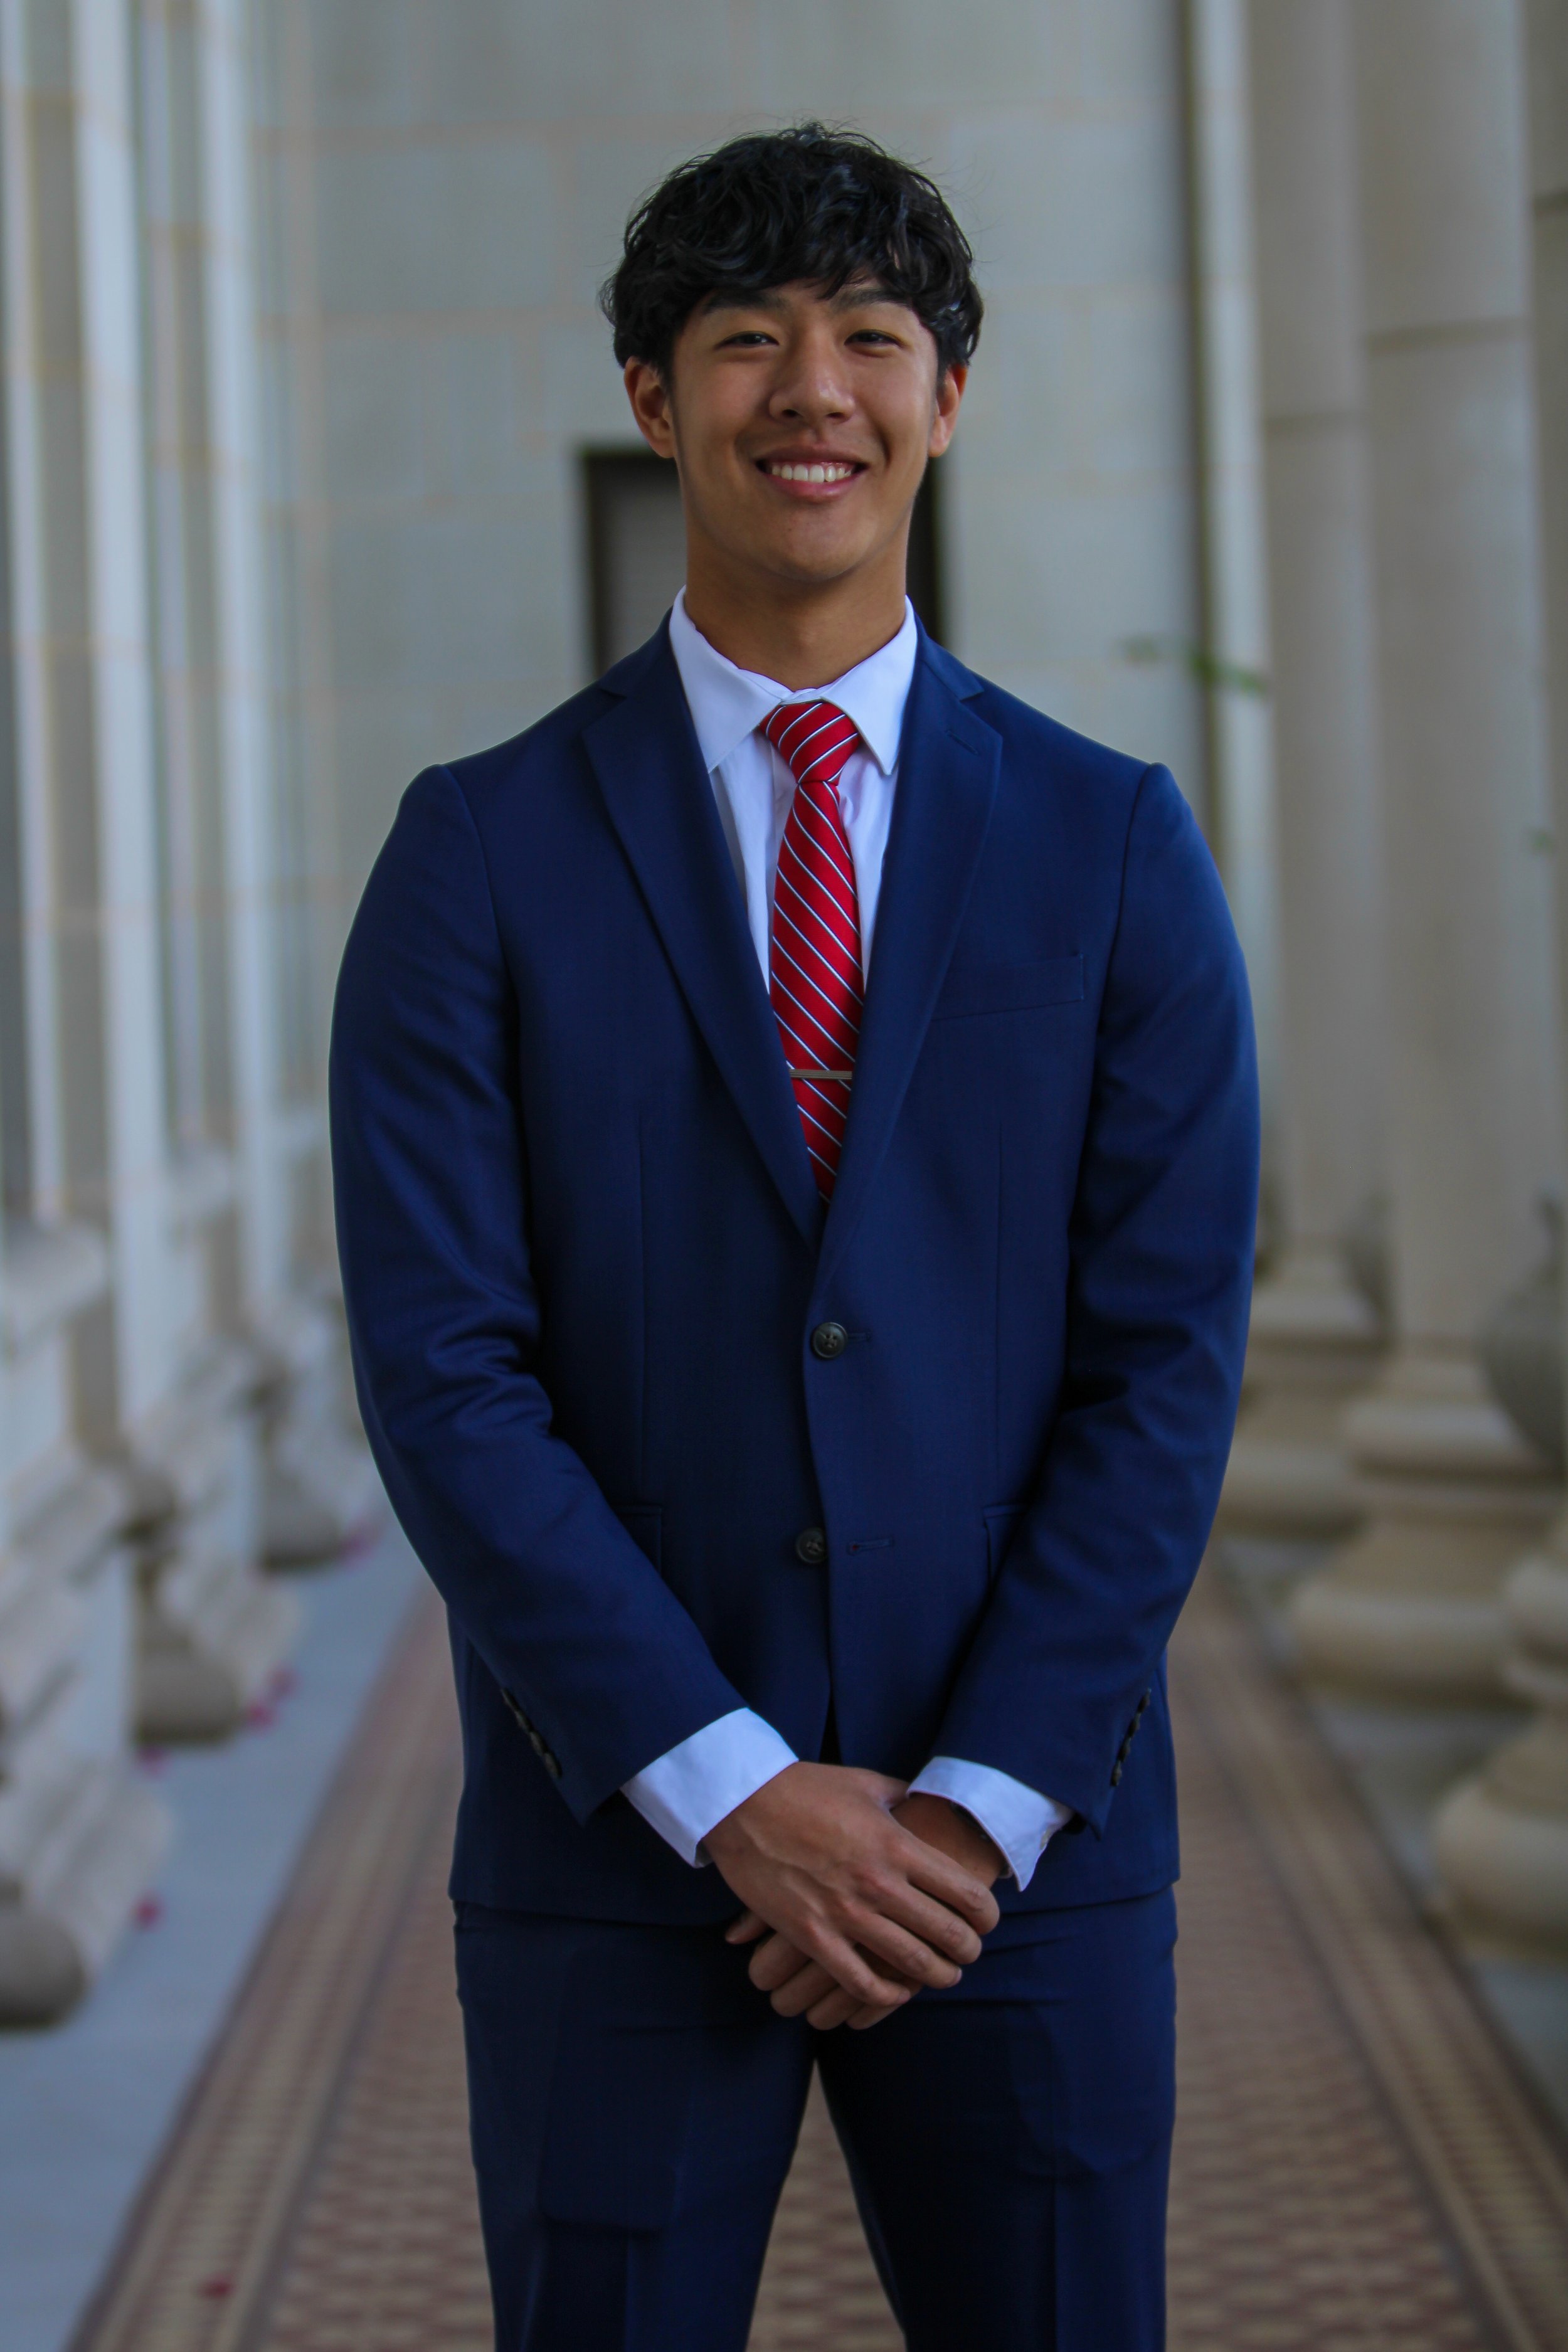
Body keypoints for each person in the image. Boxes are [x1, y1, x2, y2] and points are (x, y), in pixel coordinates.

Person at [330, 122, 1258, 2352]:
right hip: (620, 1848)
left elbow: (1164, 1362)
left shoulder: (1114, 847)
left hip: (1014, 1862)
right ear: (655, 401)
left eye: (869, 338)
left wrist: (974, 1807)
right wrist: (730, 1790)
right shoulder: (476, 855)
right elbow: (445, 1374)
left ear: (950, 396)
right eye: (746, 339)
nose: (811, 389)